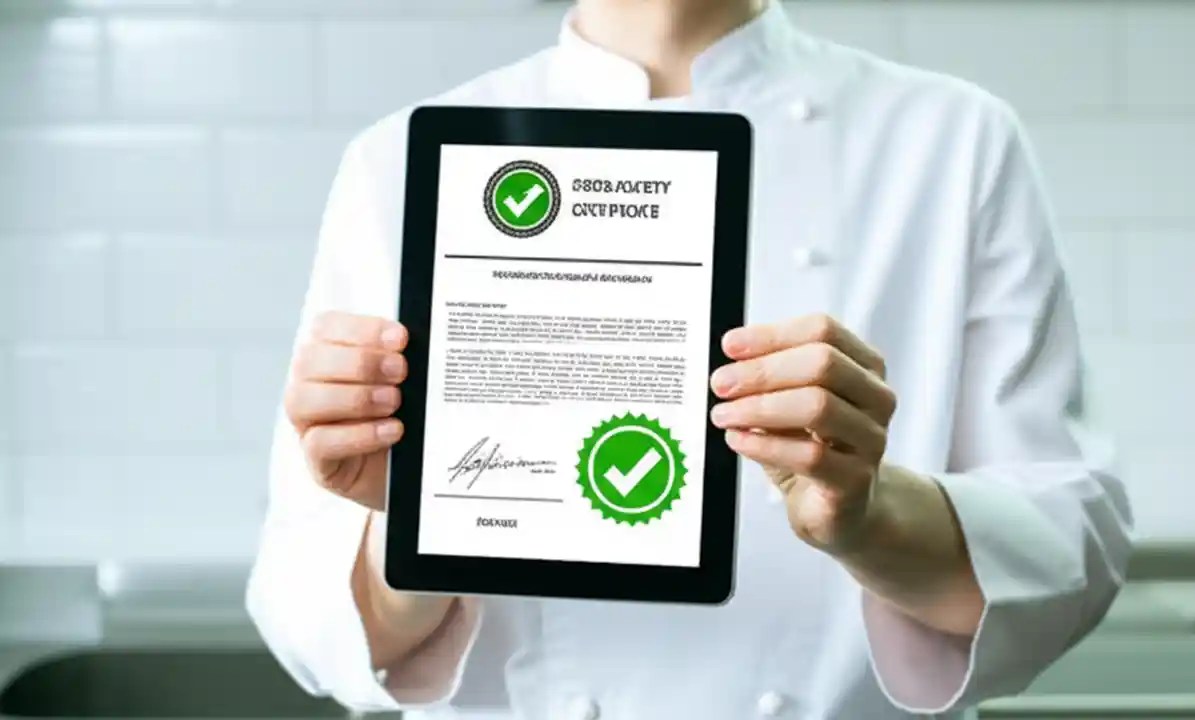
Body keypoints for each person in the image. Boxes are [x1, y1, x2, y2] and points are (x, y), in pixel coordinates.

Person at [246, 0, 1133, 718]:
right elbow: (312, 622)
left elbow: (1064, 553)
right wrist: (420, 519)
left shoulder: (952, 140)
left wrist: (867, 514)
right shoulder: (401, 159)